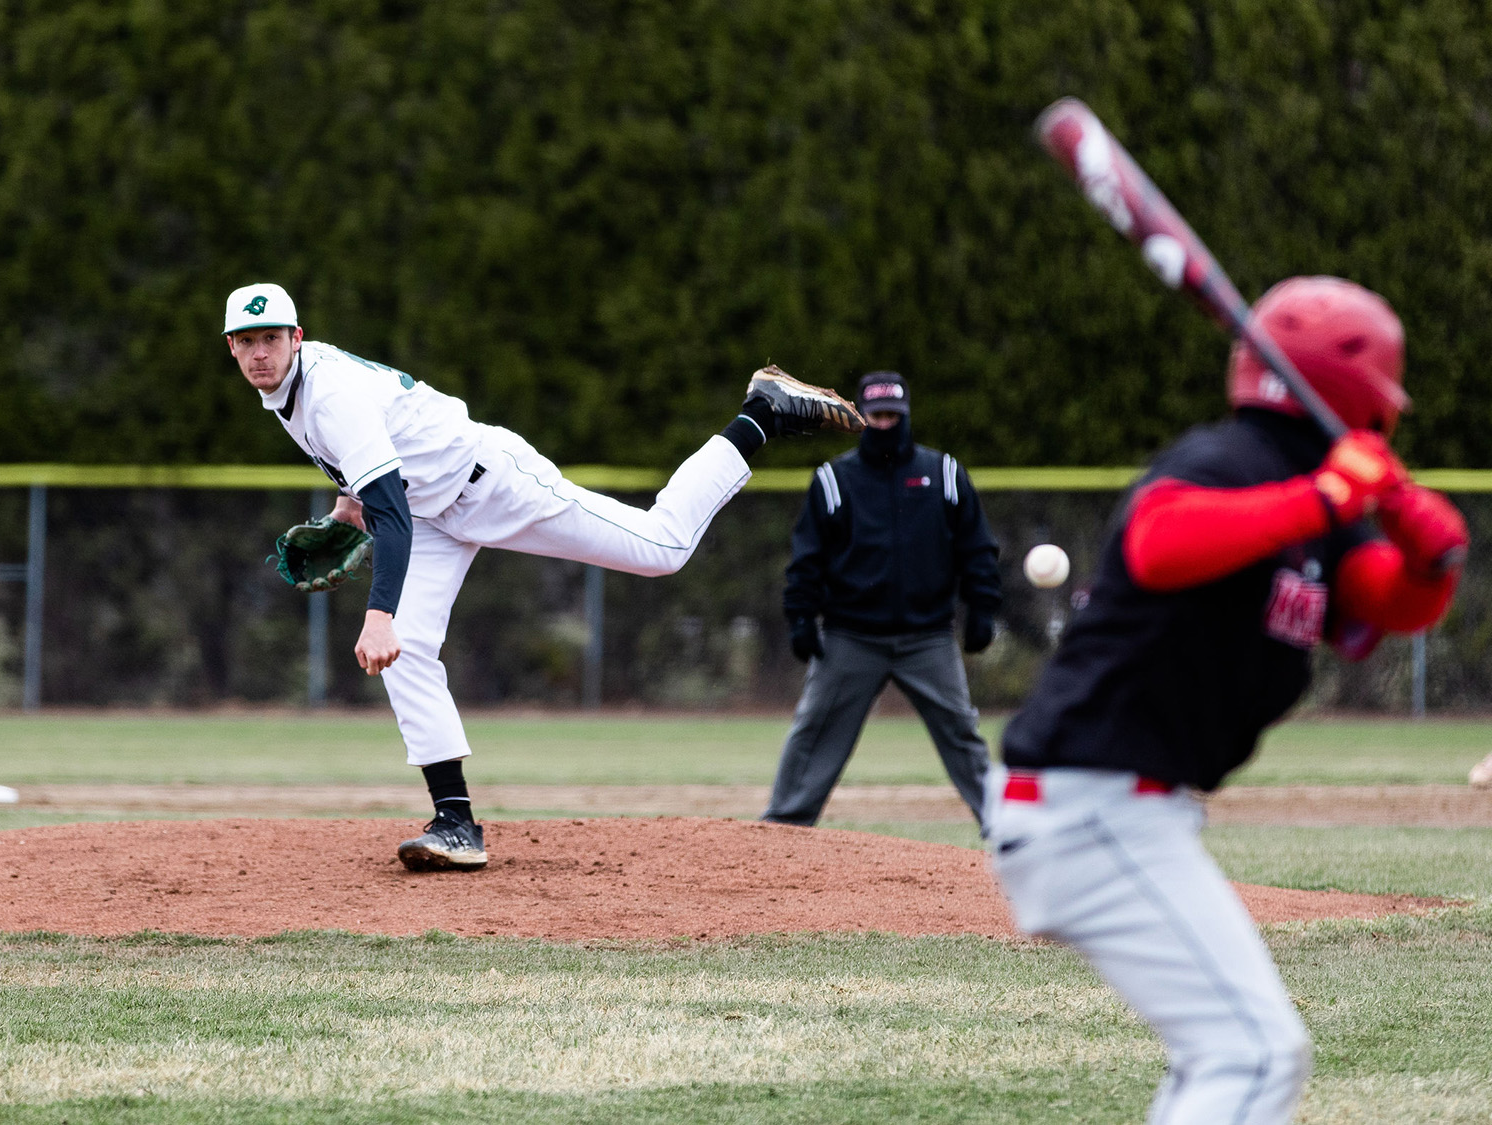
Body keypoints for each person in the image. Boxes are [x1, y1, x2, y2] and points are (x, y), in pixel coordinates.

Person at [985, 277, 1467, 1124]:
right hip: (1090, 805)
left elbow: (1383, 601)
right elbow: (1157, 539)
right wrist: (1327, 497)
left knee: (1241, 1052)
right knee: (1253, 1054)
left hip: (1126, 809)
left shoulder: (1317, 503)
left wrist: (1428, 561)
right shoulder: (1228, 463)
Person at [223, 282, 865, 871]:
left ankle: (762, 413)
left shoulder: (328, 394)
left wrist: (378, 613)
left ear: (297, 338)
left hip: (493, 483)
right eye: (247, 341)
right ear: (231, 347)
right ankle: (456, 823)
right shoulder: (288, 392)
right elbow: (380, 465)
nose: (260, 353)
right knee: (409, 653)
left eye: (271, 338)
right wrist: (346, 507)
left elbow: (387, 508)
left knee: (662, 547)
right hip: (433, 513)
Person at [762, 370, 1002, 827]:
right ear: (861, 417)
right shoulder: (835, 480)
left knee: (962, 733)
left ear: (906, 415)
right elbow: (807, 558)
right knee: (814, 729)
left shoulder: (944, 474)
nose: (885, 423)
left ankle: (1005, 827)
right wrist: (801, 617)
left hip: (928, 637)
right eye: (877, 416)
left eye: (893, 415)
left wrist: (983, 608)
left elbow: (977, 548)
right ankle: (783, 827)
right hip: (850, 636)